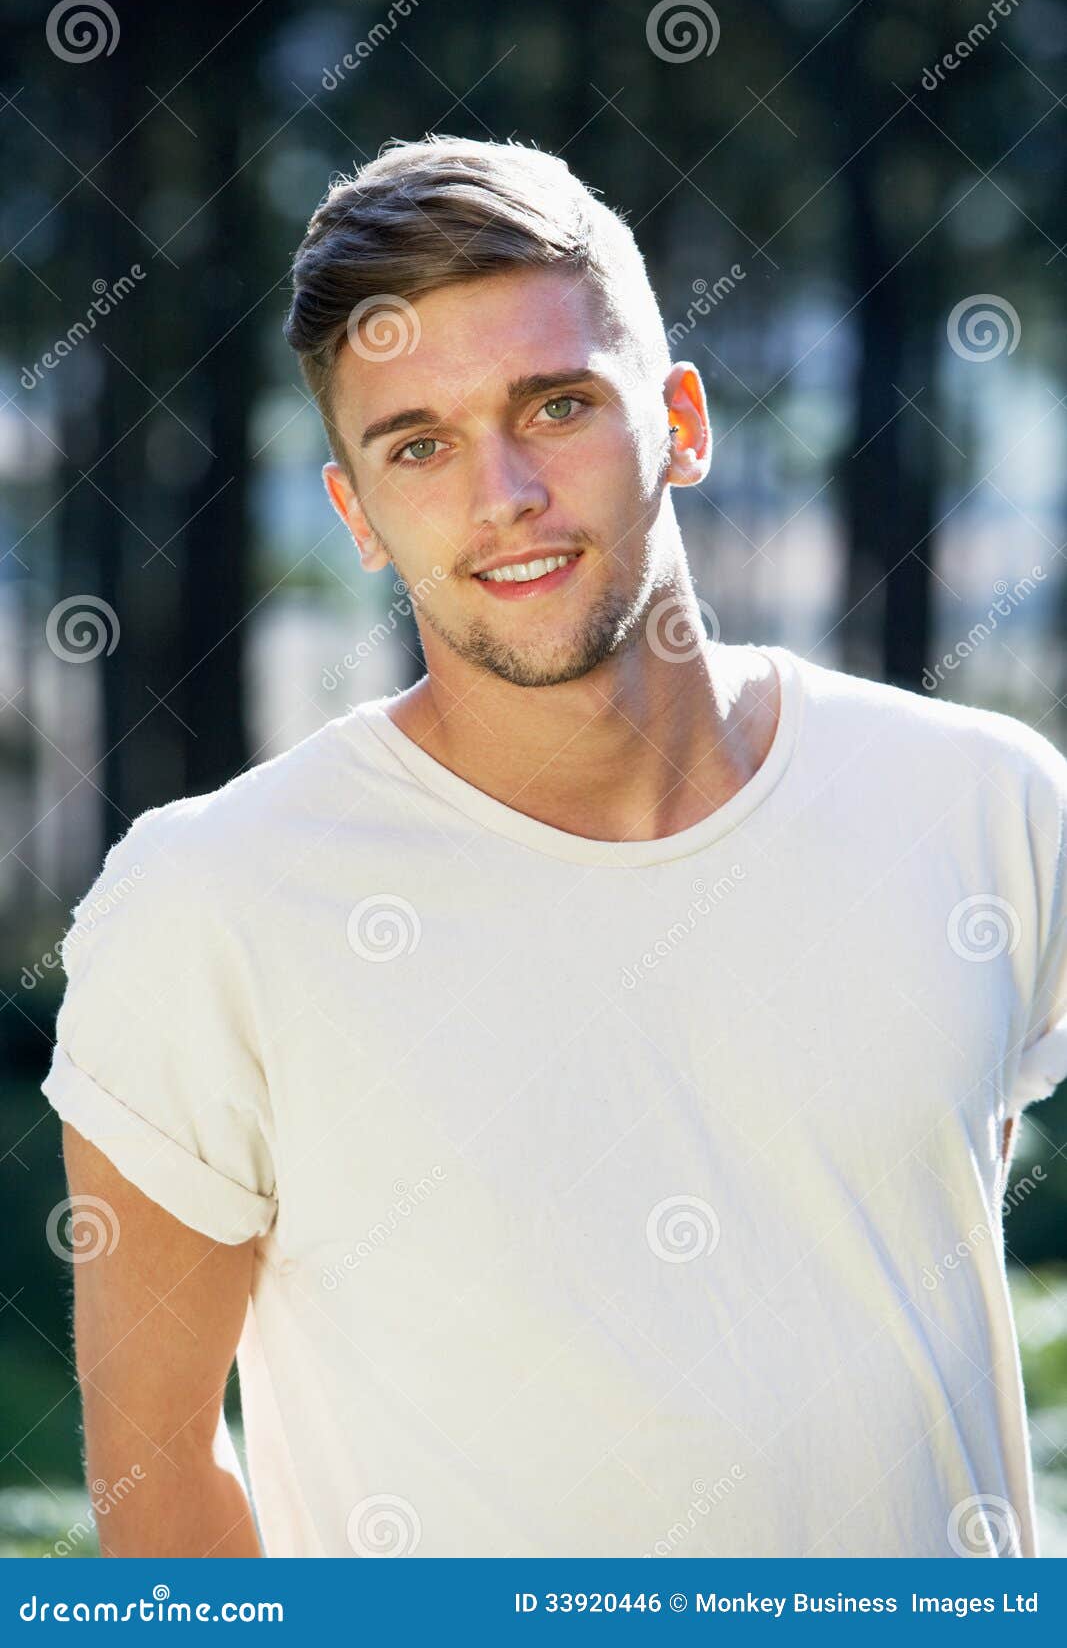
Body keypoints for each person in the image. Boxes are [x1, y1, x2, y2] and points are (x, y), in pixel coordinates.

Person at [41, 134, 1067, 1559]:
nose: (503, 492)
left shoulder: (985, 805)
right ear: (359, 515)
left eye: (558, 404)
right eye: (418, 443)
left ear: (683, 421)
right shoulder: (210, 902)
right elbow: (156, 1483)